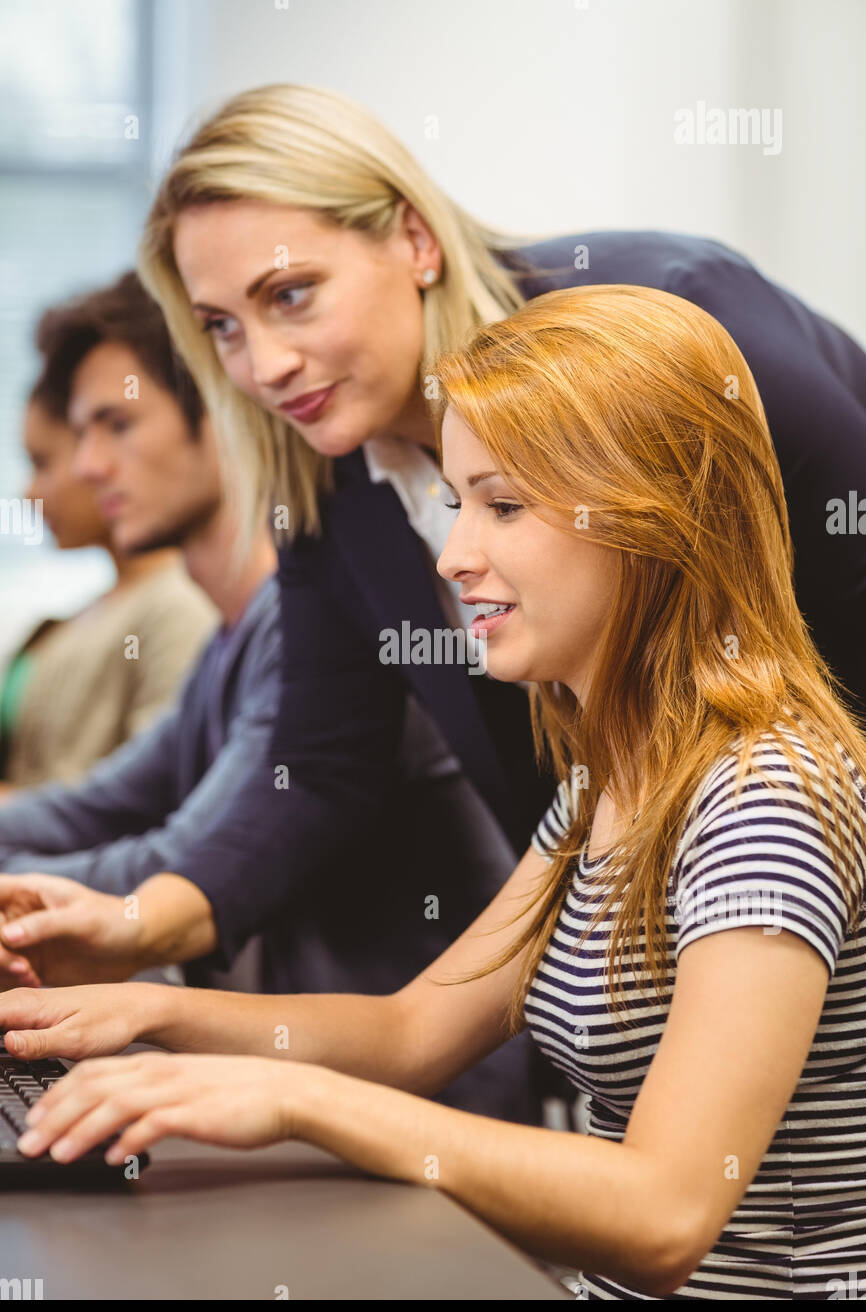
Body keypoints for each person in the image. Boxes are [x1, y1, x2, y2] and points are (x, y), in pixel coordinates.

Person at [1, 83, 865, 1128]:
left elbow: (657, 1214)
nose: (262, 366)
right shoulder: (337, 470)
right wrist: (140, 935)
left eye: (291, 296)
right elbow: (320, 765)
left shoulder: (685, 325)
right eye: (221, 326)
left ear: (412, 237)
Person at [3, 285, 864, 1301]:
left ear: (651, 515)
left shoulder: (762, 794)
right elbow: (414, 1032)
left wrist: (292, 1097)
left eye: (502, 505)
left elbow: (664, 1212)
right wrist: (112, 1018)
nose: (454, 556)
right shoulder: (609, 780)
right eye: (457, 504)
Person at [0, 269, 278, 993]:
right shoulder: (229, 640)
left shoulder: (302, 629)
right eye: (83, 434)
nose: (88, 467)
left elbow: (178, 857)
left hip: (371, 1091)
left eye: (117, 425)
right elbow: (89, 808)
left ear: (224, 407)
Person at [0, 367, 216, 790]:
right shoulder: (77, 614)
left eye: (43, 463)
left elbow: (158, 793)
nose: (30, 495)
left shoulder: (178, 602)